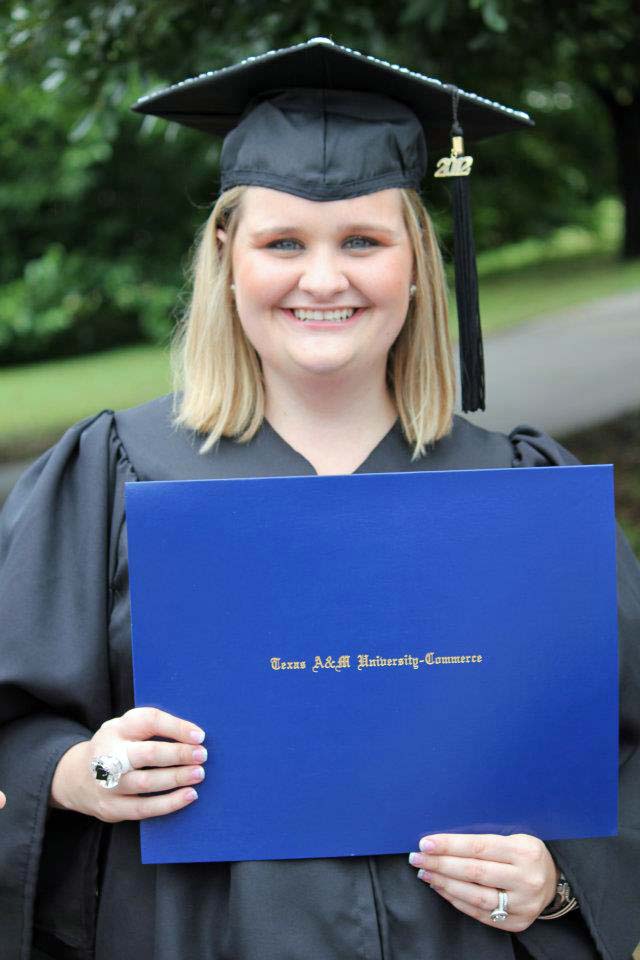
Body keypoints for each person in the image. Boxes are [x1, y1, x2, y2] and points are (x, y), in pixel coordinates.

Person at [0, 37, 638, 960]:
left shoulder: (519, 488)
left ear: (416, 262)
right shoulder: (112, 475)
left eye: (363, 241)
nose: (325, 278)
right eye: (284, 242)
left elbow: (623, 747)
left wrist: (561, 879)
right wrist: (76, 773)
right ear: (227, 256)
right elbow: (14, 728)